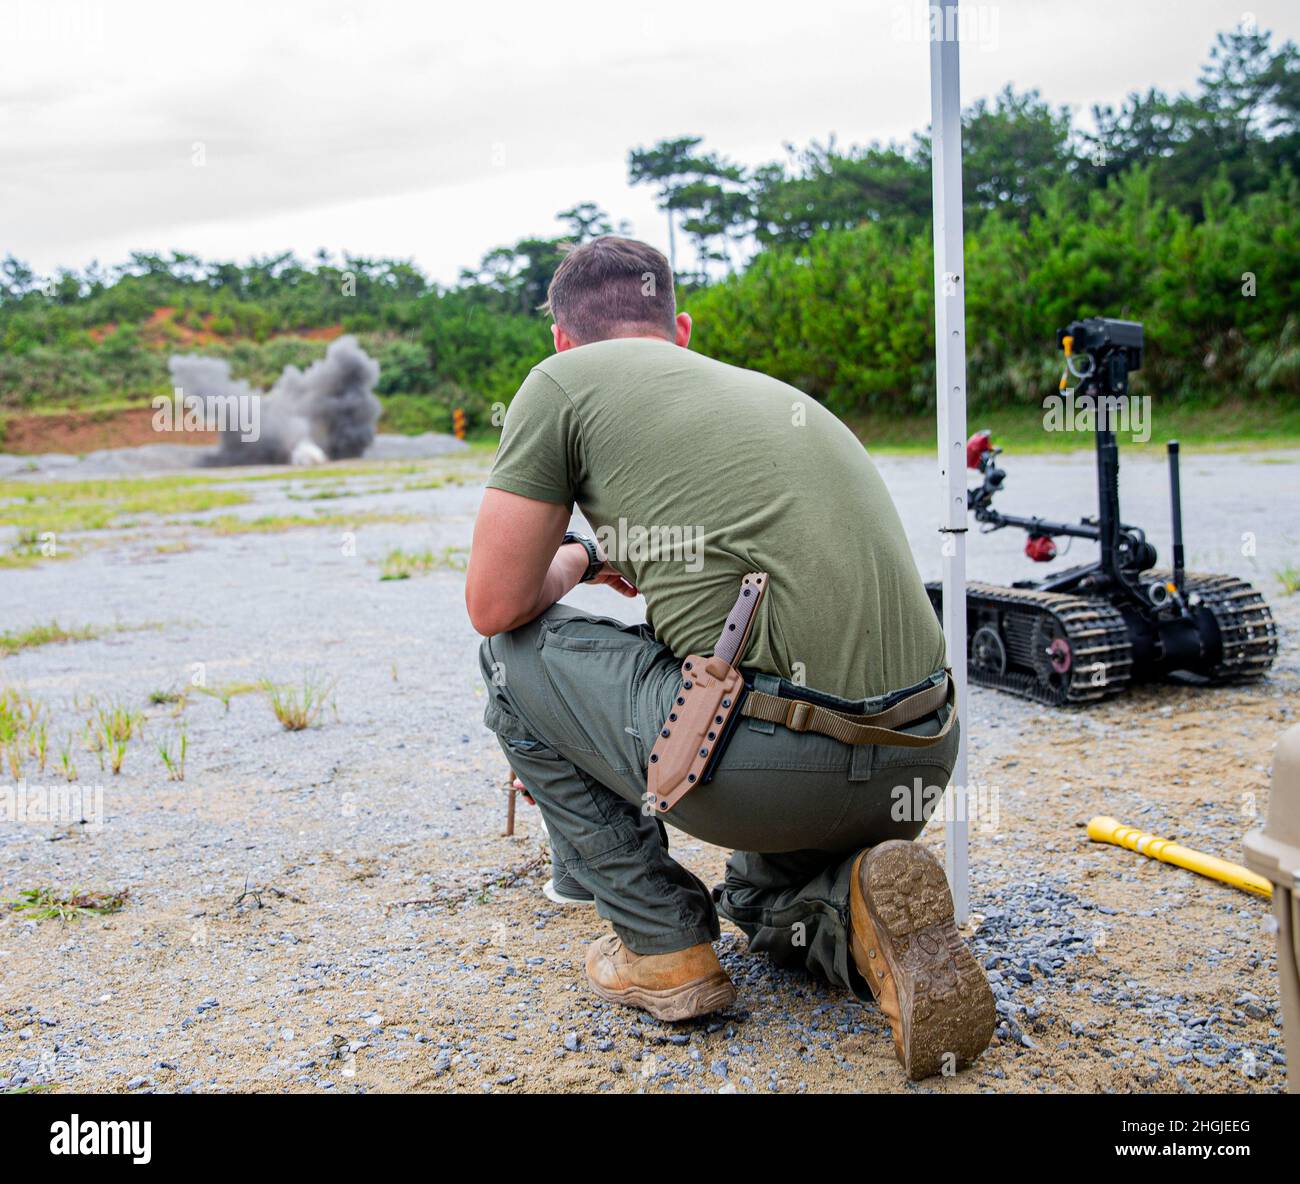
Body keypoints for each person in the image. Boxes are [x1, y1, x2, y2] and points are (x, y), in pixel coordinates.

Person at [467, 236, 994, 1080]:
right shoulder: (767, 395)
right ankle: (858, 897)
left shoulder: (560, 383)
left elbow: (495, 604)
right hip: (920, 757)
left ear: (563, 342)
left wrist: (572, 555)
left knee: (509, 659)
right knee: (756, 901)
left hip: (771, 772)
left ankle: (663, 947)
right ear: (679, 328)